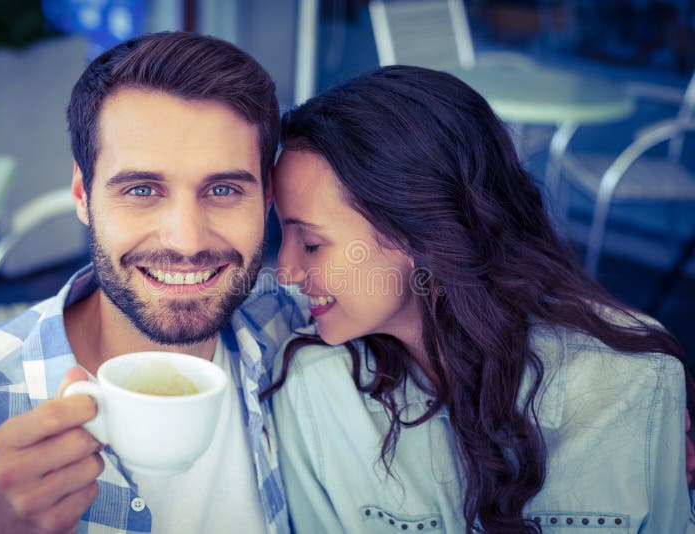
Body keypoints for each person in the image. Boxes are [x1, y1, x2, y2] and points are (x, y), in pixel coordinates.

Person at [0, 32, 306, 533]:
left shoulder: (300, 334)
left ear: (265, 201)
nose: (185, 241)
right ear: (82, 195)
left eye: (223, 189)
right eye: (141, 189)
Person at [268, 65, 695, 533]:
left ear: (419, 234)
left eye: (311, 244)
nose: (286, 272)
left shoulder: (636, 383)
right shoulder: (315, 391)